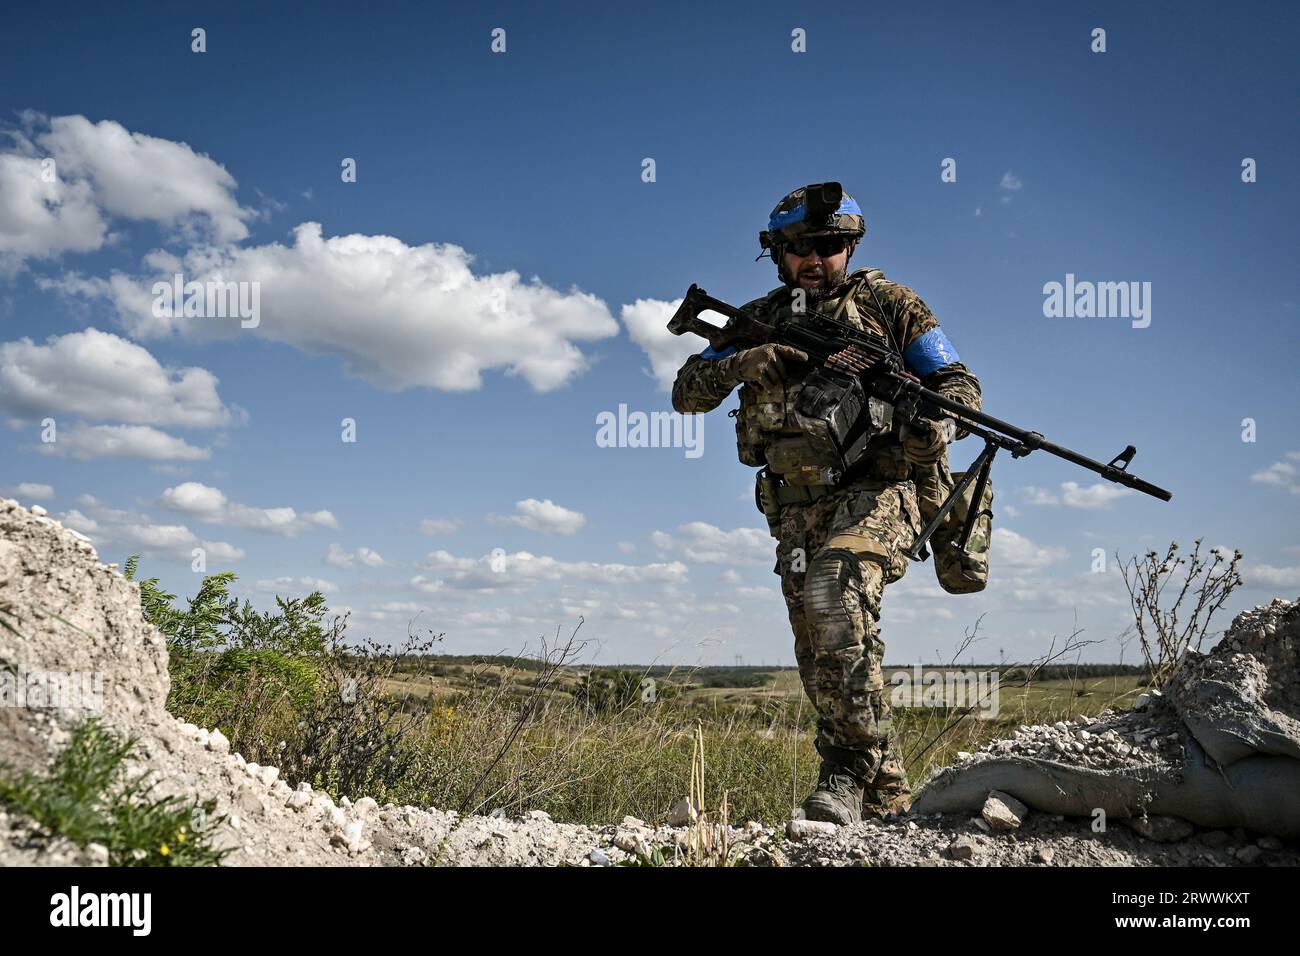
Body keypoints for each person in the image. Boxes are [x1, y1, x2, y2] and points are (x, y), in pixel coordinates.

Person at [670, 184, 982, 824]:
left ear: (851, 246)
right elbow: (686, 393)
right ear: (777, 253)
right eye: (799, 249)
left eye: (830, 246)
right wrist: (740, 364)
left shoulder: (890, 305)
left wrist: (938, 420)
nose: (815, 260)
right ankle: (888, 800)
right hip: (794, 507)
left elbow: (958, 382)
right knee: (822, 651)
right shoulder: (757, 315)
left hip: (880, 488)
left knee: (834, 591)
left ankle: (842, 770)